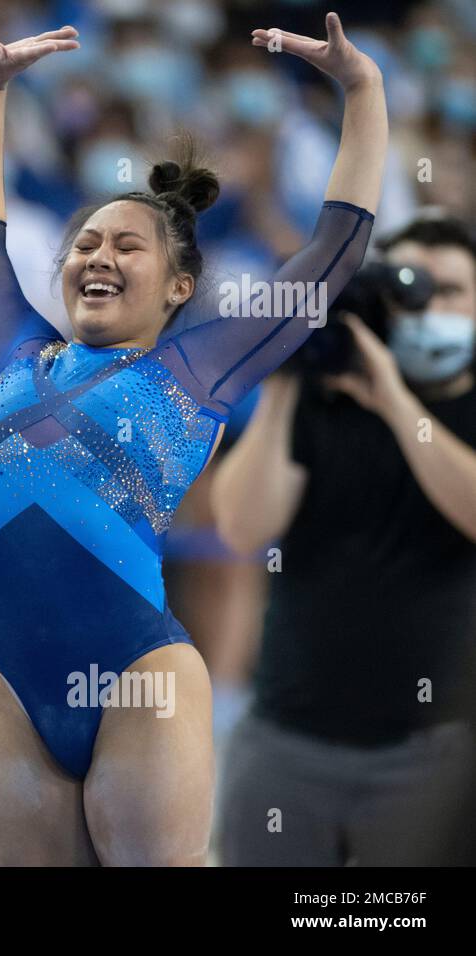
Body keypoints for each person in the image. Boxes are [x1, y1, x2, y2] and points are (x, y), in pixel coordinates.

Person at [0, 14, 385, 864]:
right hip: (13, 691)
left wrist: (363, 91)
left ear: (180, 283)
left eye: (126, 245)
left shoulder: (197, 371)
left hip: (141, 679)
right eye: (84, 243)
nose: (97, 255)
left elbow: (336, 249)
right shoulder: (11, 349)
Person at [212, 212, 476, 865]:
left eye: (448, 292)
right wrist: (283, 380)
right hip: (286, 736)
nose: (427, 308)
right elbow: (243, 527)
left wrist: (392, 397)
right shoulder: (321, 395)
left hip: (433, 753)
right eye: (409, 290)